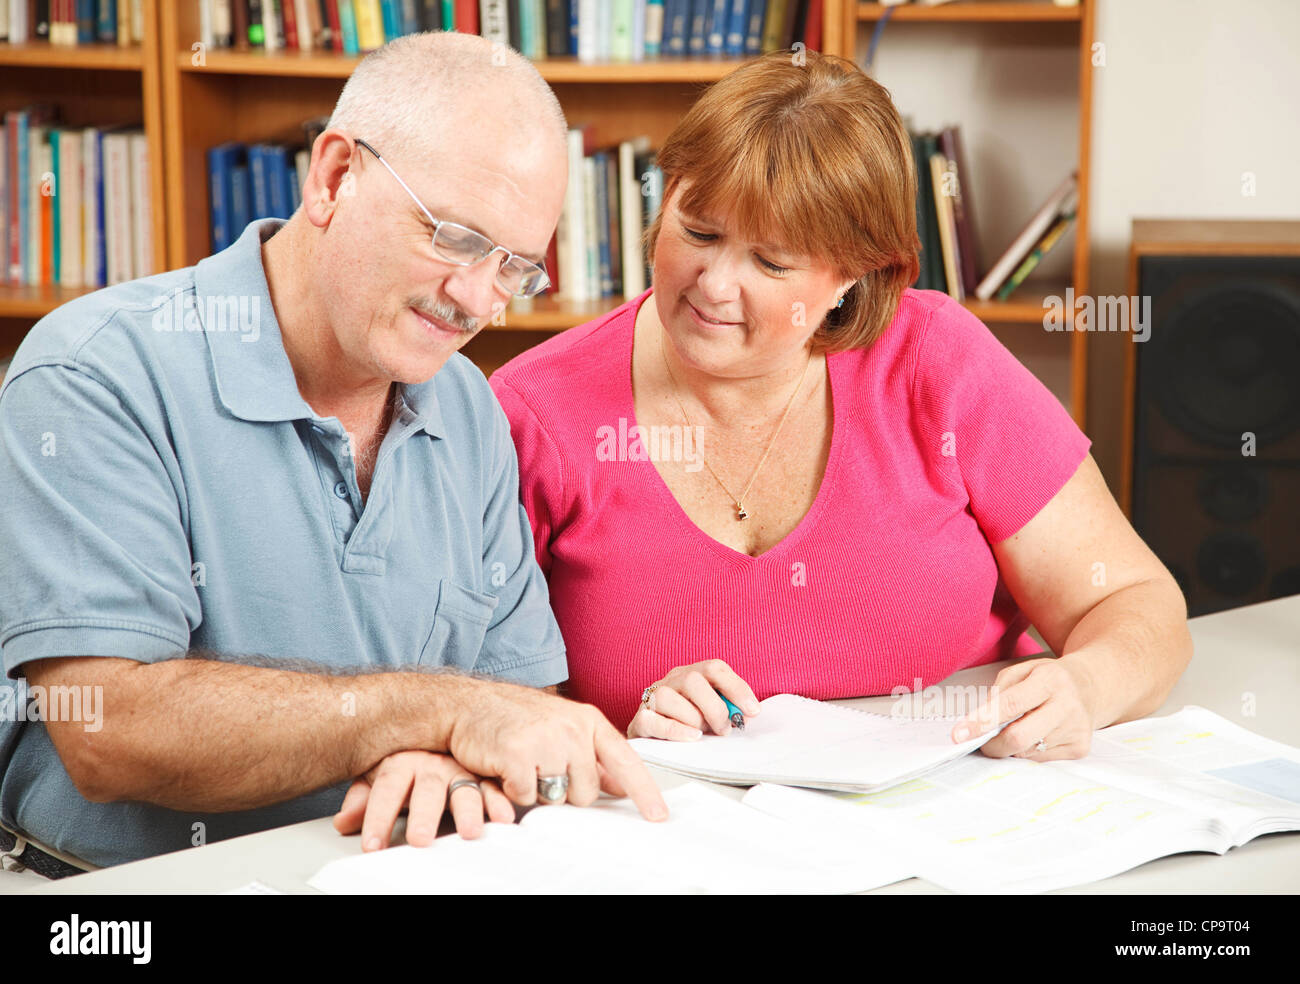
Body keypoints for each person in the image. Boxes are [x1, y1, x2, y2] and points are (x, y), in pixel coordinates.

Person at [0, 32, 665, 879]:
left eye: (516, 267)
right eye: (456, 238)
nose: (477, 300)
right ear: (335, 177)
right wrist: (429, 714)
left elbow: (514, 704)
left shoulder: (469, 407)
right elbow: (109, 728)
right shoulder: (94, 372)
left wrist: (448, 754)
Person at [490, 50, 1192, 760]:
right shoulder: (530, 413)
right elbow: (481, 700)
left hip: (955, 816)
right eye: (698, 231)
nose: (714, 283)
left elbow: (1136, 603)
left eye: (771, 262)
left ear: (853, 277)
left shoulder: (936, 361)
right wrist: (617, 733)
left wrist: (1084, 688)